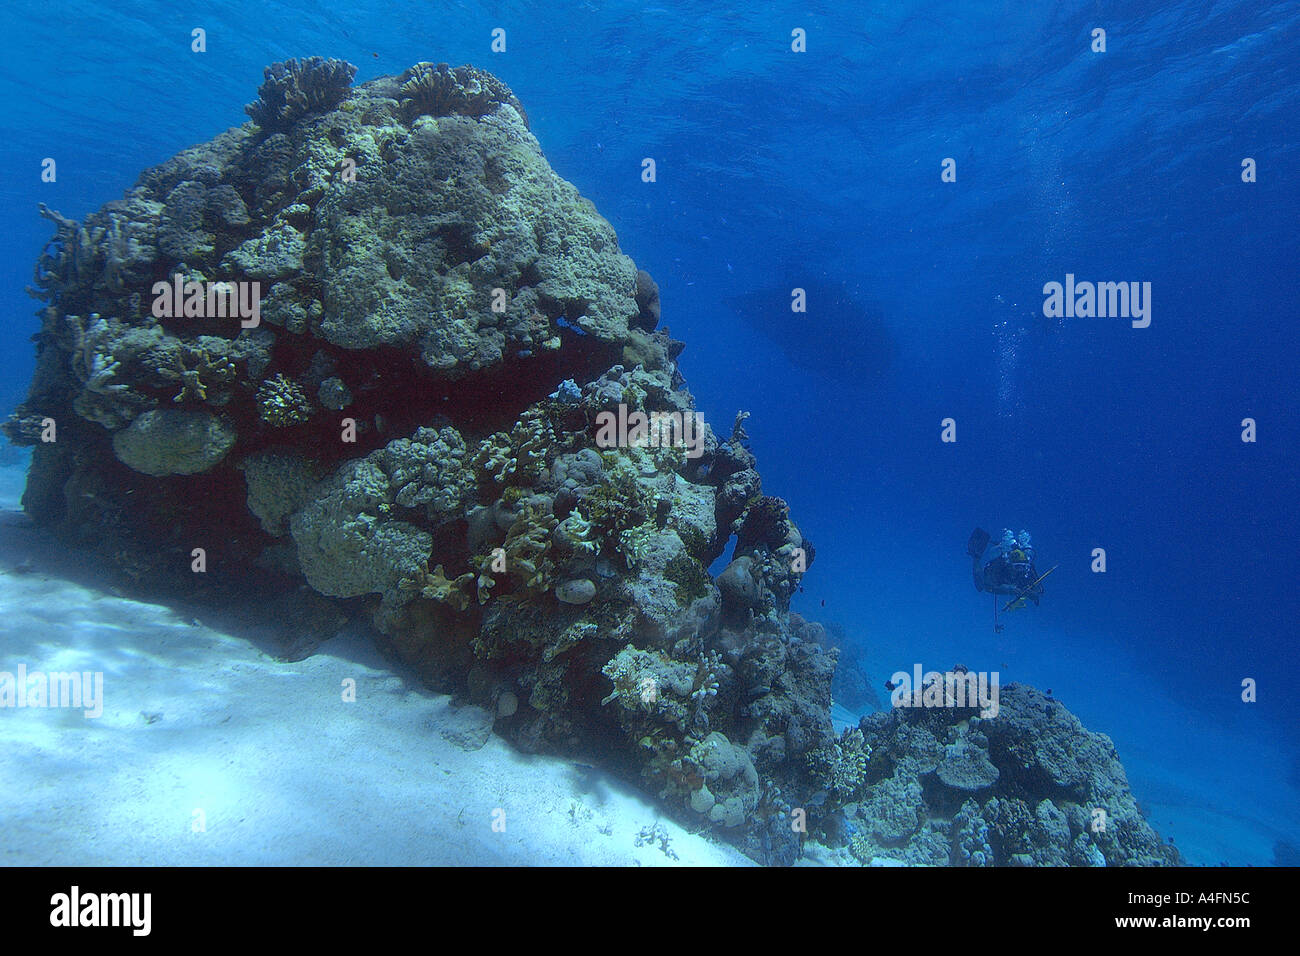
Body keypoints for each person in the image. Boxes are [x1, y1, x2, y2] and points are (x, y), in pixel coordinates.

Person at [967, 527, 1043, 604]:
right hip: (995, 579)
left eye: (1023, 566)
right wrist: (1008, 590)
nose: (1021, 570)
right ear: (1009, 565)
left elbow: (1040, 589)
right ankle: (976, 555)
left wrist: (1033, 594)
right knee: (979, 586)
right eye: (1017, 567)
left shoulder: (1028, 570)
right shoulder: (999, 566)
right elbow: (987, 587)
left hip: (1008, 583)